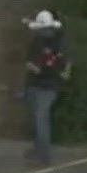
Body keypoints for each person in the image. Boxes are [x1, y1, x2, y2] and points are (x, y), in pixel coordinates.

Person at [24, 10, 71, 164]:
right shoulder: (39, 40)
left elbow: (57, 66)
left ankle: (43, 156)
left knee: (41, 119)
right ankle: (38, 149)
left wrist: (38, 69)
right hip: (35, 84)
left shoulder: (57, 44)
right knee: (36, 118)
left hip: (47, 86)